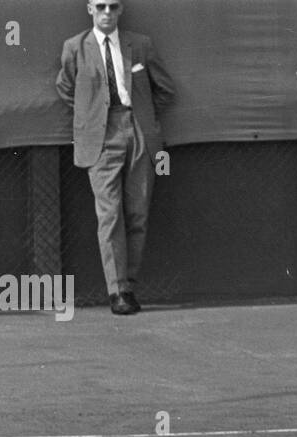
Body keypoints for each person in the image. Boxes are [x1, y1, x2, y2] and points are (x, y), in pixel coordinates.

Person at [56, 1, 174, 316]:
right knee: (110, 215)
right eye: (100, 6)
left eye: (113, 6)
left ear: (120, 11)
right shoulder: (75, 47)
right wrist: (92, 115)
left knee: (137, 213)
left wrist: (147, 121)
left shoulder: (141, 44)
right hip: (100, 137)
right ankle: (117, 291)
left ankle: (130, 286)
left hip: (137, 132)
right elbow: (65, 89)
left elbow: (165, 89)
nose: (107, 12)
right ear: (90, 9)